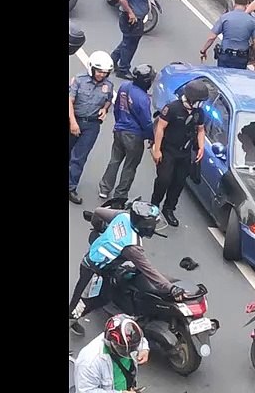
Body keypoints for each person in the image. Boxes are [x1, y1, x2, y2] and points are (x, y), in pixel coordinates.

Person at [69, 200, 176, 335]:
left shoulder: (124, 216)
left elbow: (98, 212)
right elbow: (149, 271)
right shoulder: (132, 247)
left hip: (101, 261)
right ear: (145, 227)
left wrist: (99, 227)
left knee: (102, 295)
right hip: (93, 269)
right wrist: (170, 287)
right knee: (87, 299)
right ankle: (72, 317)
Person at [150, 79, 207, 227]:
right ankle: (153, 206)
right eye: (200, 101)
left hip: (185, 153)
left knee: (179, 182)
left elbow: (201, 129)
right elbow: (160, 128)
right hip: (168, 150)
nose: (201, 104)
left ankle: (169, 209)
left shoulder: (198, 113)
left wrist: (201, 147)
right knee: (164, 179)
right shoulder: (172, 108)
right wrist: (157, 149)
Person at [98, 64, 156, 200]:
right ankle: (121, 194)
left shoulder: (125, 86)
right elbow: (146, 122)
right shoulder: (143, 99)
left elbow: (117, 106)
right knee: (130, 166)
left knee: (114, 160)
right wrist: (151, 137)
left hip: (120, 130)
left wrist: (119, 123)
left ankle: (105, 188)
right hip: (134, 136)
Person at [70, 51, 116, 204]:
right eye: (99, 71)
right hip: (74, 120)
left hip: (91, 125)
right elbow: (70, 101)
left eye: (105, 72)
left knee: (79, 157)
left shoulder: (108, 86)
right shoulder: (79, 80)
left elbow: (108, 100)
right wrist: (73, 123)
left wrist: (105, 109)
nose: (101, 75)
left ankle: (71, 187)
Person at [73, 315, 149, 392]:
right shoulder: (89, 362)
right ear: (110, 343)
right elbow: (86, 391)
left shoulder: (129, 341)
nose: (130, 353)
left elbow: (140, 340)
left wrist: (144, 349)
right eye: (123, 349)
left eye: (133, 348)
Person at [110, 0, 160, 78]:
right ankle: (123, 69)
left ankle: (113, 59)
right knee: (130, 44)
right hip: (131, 20)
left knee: (127, 41)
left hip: (138, 18)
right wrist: (131, 13)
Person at [200, 0, 255, 69]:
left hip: (225, 55)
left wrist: (203, 51)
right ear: (247, 5)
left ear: (234, 4)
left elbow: (212, 37)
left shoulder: (225, 17)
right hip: (241, 57)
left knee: (223, 77)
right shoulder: (253, 21)